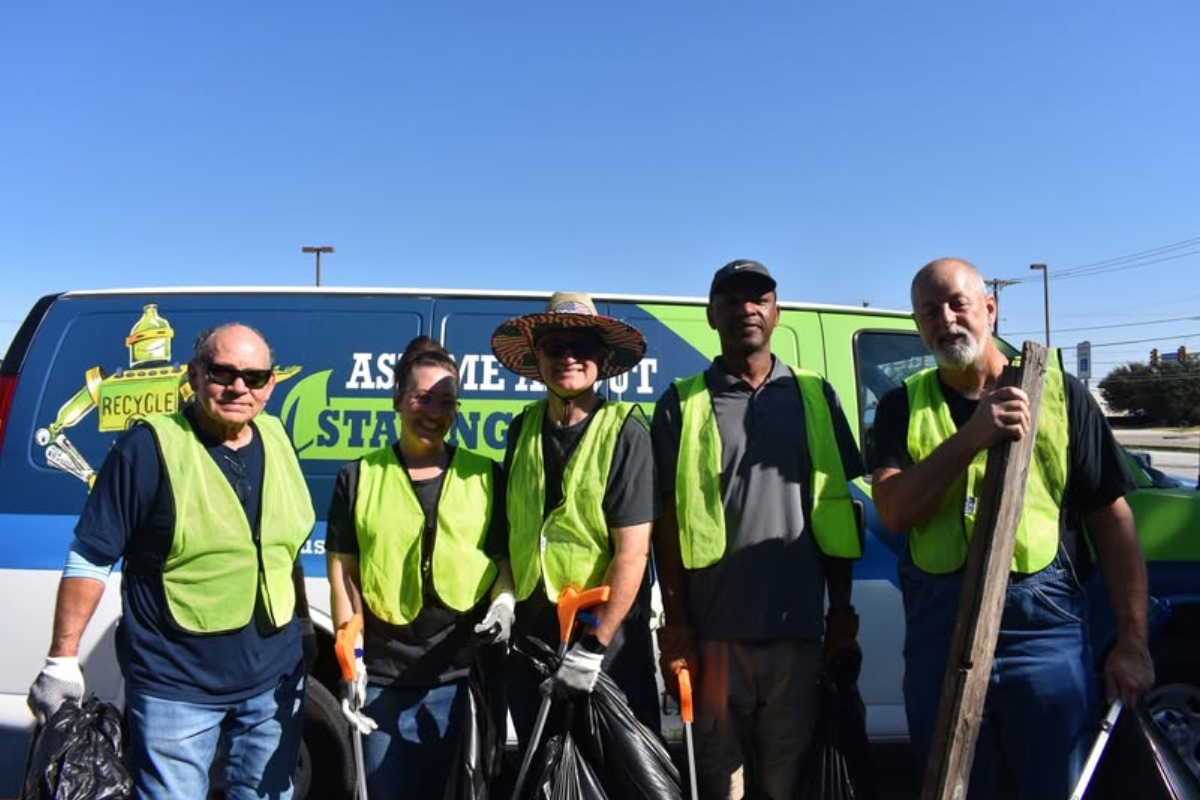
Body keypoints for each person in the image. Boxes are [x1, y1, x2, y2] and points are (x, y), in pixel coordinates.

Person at [870, 257, 1156, 800]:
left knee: (1056, 785)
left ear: (990, 309)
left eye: (959, 304)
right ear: (917, 325)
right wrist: (972, 436)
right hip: (941, 633)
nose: (947, 319)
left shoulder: (1063, 396)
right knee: (950, 788)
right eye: (930, 312)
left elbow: (1113, 524)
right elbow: (893, 510)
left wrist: (1132, 641)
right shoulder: (900, 406)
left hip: (1043, 635)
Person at [27, 322, 316, 800]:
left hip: (271, 679)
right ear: (194, 374)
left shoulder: (277, 437)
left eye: (256, 377)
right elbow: (91, 554)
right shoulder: (147, 447)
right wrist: (62, 658)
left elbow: (284, 549)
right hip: (176, 685)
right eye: (223, 372)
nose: (240, 387)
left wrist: (302, 624)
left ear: (271, 384)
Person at [651, 259, 865, 800]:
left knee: (785, 782)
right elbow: (666, 523)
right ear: (711, 314)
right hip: (715, 641)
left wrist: (841, 613)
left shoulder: (816, 395)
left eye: (759, 298)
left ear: (776, 312)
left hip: (797, 639)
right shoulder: (682, 401)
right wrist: (676, 627)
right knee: (720, 783)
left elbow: (838, 508)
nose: (746, 308)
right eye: (731, 299)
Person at [325, 335, 513, 798]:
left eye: (446, 402)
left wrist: (505, 600)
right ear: (396, 400)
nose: (433, 412)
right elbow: (343, 574)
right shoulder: (358, 476)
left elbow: (503, 559)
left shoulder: (486, 474)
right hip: (385, 682)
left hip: (462, 679)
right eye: (421, 398)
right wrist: (352, 659)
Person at [490, 291, 661, 744]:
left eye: (581, 348)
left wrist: (593, 648)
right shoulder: (521, 428)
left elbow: (633, 551)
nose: (568, 357)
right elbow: (513, 534)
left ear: (601, 360)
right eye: (554, 346)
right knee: (544, 775)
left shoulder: (625, 431)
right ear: (536, 356)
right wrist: (504, 598)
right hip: (533, 640)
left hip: (605, 646)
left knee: (613, 779)